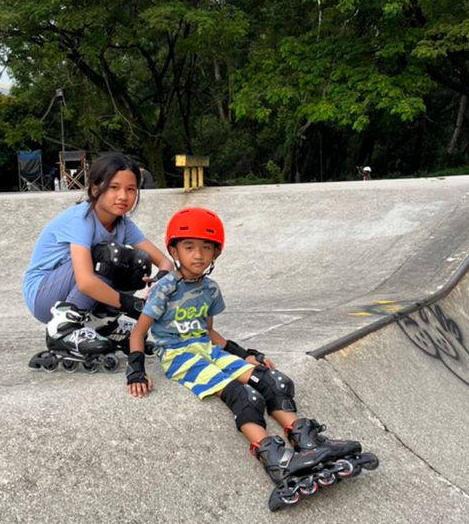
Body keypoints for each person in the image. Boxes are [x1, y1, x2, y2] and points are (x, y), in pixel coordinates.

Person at [125, 206, 375, 501]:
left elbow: (210, 333)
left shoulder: (210, 289)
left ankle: (304, 441)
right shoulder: (165, 288)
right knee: (246, 397)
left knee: (272, 382)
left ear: (215, 253)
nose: (198, 255)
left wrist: (245, 354)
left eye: (207, 248)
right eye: (189, 247)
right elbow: (139, 332)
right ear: (173, 250)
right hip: (178, 355)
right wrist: (136, 370)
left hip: (205, 348)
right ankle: (276, 461)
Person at [23, 152, 173, 366]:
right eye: (114, 187)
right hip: (43, 294)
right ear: (95, 189)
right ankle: (63, 328)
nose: (123, 196)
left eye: (130, 189)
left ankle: (102, 323)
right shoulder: (82, 219)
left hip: (71, 289)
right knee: (108, 256)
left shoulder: (123, 224)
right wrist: (129, 304)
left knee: (139, 261)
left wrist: (160, 284)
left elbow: (164, 262)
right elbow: (85, 280)